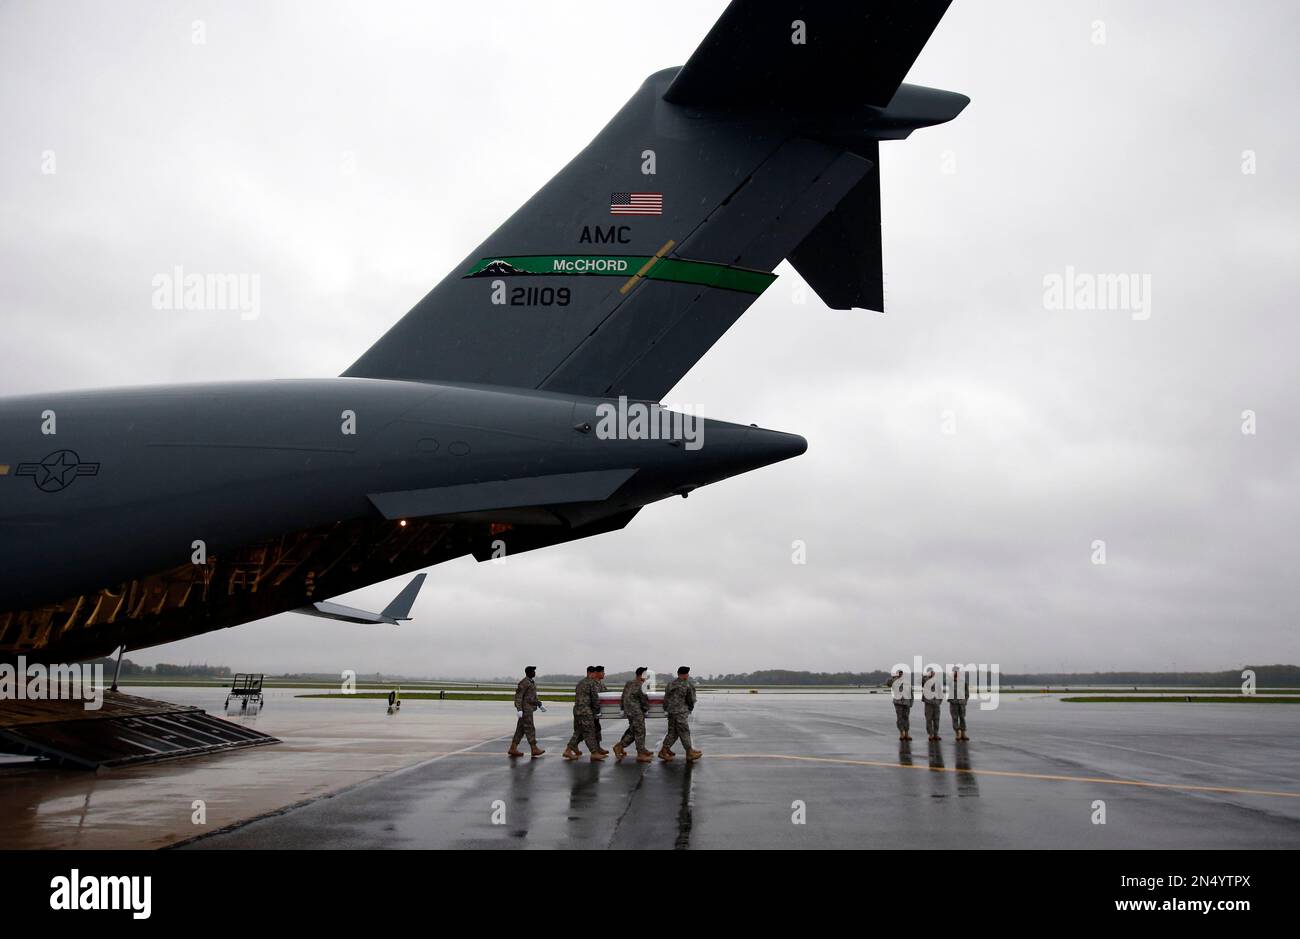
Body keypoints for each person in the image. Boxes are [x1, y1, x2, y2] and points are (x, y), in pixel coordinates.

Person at [563, 666, 605, 762]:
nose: (595, 675)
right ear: (591, 673)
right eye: (594, 673)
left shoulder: (580, 683)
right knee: (589, 732)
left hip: (577, 710)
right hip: (585, 711)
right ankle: (594, 753)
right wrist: (597, 711)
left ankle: (568, 750)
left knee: (579, 732)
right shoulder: (591, 683)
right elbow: (595, 699)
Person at [659, 666, 701, 761]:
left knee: (673, 732)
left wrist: (666, 709)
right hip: (681, 713)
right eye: (687, 674)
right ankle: (689, 752)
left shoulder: (670, 684)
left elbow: (666, 699)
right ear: (686, 675)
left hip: (671, 712)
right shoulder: (687, 685)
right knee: (684, 732)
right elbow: (691, 700)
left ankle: (664, 750)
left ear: (678, 674)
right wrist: (690, 708)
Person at [613, 666, 654, 763]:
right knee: (639, 732)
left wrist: (622, 708)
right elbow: (644, 699)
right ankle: (637, 753)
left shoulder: (629, 683)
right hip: (636, 712)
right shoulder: (641, 685)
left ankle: (641, 749)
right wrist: (646, 709)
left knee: (633, 730)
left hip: (629, 711)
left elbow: (623, 696)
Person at [507, 665, 545, 758]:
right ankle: (534, 748)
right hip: (525, 710)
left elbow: (532, 697)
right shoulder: (524, 683)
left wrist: (539, 704)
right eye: (533, 671)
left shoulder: (531, 682)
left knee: (521, 729)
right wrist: (519, 709)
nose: (534, 673)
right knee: (530, 728)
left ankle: (513, 748)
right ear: (528, 673)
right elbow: (518, 697)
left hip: (529, 709)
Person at [948, 666, 971, 741]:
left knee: (962, 718)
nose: (956, 673)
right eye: (954, 671)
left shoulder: (963, 681)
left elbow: (967, 692)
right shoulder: (950, 681)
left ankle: (963, 733)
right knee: (955, 718)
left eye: (957, 671)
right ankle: (957, 733)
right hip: (953, 702)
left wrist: (965, 700)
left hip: (961, 703)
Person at [891, 669, 913, 741]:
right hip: (898, 703)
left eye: (901, 673)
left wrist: (911, 702)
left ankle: (906, 733)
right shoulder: (894, 681)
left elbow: (911, 693)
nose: (900, 674)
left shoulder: (907, 682)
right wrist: (894, 677)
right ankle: (901, 733)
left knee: (906, 718)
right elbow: (888, 683)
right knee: (900, 718)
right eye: (899, 673)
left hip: (906, 703)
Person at [922, 667, 942, 741]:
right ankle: (930, 734)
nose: (932, 673)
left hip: (936, 703)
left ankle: (936, 734)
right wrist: (927, 676)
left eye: (932, 672)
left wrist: (939, 701)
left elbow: (940, 692)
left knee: (936, 719)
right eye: (930, 672)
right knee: (929, 719)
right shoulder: (925, 680)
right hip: (928, 703)